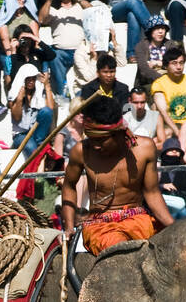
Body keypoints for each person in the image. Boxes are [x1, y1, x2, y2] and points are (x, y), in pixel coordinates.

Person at [61, 95, 174, 254]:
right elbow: (69, 185)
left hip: (139, 221)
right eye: (92, 139)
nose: (96, 146)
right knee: (121, 249)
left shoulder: (145, 148)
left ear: (119, 132)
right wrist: (69, 226)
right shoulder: (81, 151)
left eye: (101, 140)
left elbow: (152, 192)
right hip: (100, 227)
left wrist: (173, 227)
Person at [151, 47, 186, 141]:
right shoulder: (159, 84)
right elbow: (163, 113)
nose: (179, 67)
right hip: (170, 124)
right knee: (167, 133)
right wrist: (178, 132)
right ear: (166, 66)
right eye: (174, 63)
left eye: (181, 63)